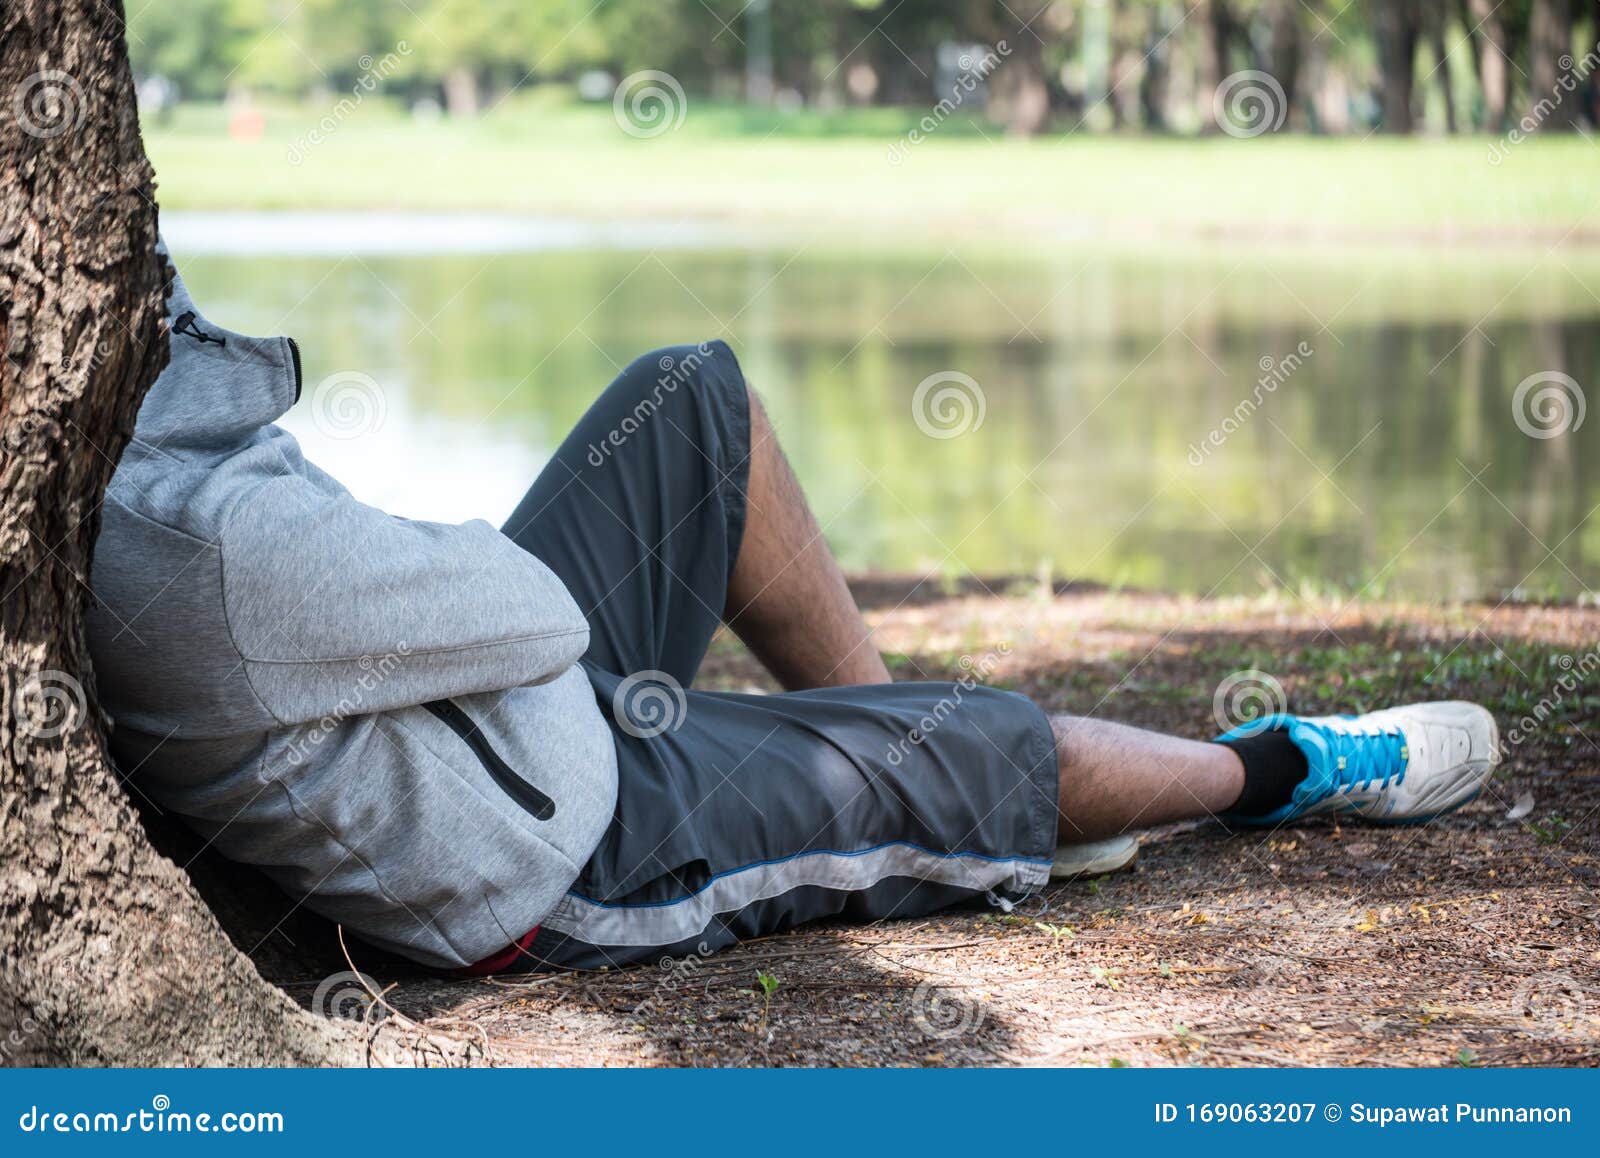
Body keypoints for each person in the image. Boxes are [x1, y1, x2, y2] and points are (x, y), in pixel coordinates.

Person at [86, 251, 1500, 974]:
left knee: (692, 398)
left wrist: (401, 590)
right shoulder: (194, 536)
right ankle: (1281, 769)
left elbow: (465, 617)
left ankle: (899, 757)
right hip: (557, 853)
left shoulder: (151, 443)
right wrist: (411, 580)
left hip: (499, 727)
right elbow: (532, 615)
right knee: (993, 738)